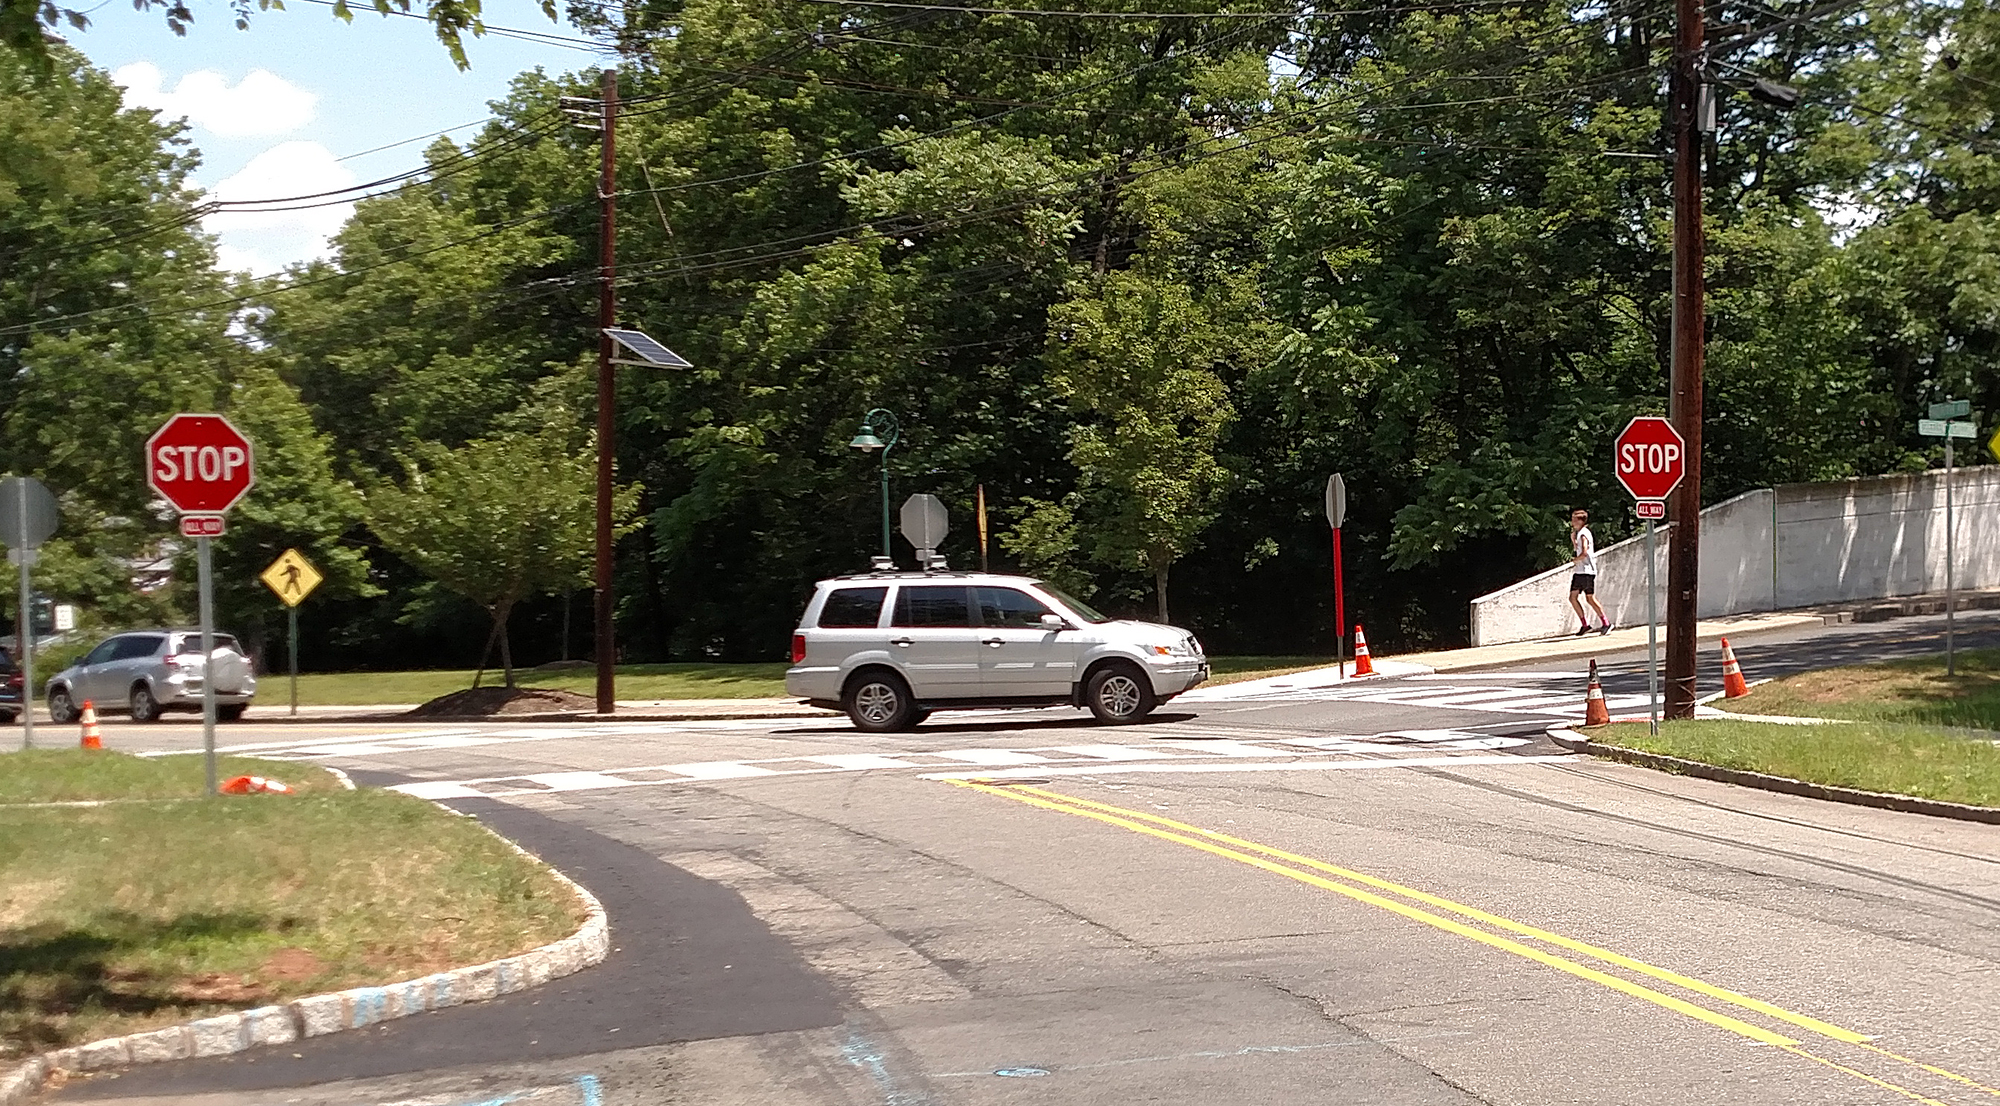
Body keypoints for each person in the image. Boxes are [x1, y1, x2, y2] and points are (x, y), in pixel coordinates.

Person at [1568, 509, 1610, 636]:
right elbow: (1580, 548)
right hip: (1580, 571)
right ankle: (1585, 625)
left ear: (1581, 521)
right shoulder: (1580, 533)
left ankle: (1606, 623)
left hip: (1586, 571)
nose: (1572, 522)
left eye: (1574, 520)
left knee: (1590, 598)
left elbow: (1585, 551)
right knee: (1573, 597)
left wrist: (1576, 559)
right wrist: (1573, 541)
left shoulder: (1584, 533)